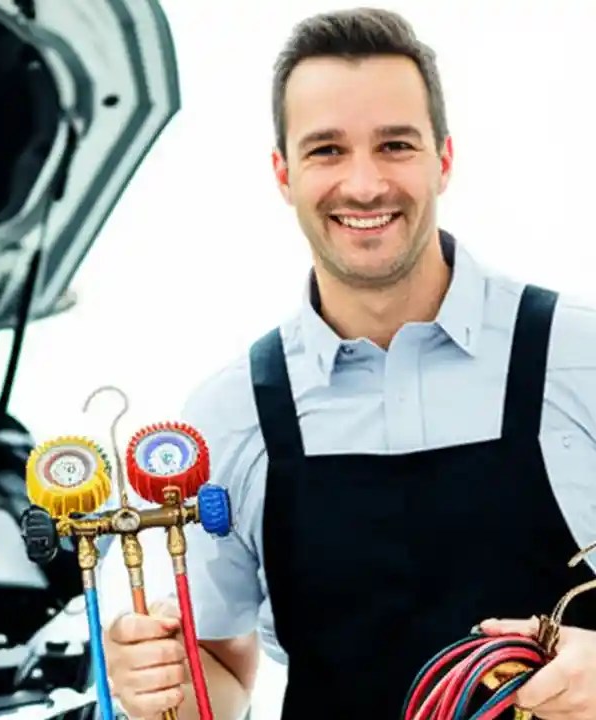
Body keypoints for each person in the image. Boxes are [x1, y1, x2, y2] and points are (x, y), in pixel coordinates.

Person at [97, 7, 596, 720]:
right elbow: (221, 673)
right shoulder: (232, 414)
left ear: (444, 159)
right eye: (327, 150)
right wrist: (159, 682)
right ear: (283, 172)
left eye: (395, 145)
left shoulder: (582, 358)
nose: (364, 186)